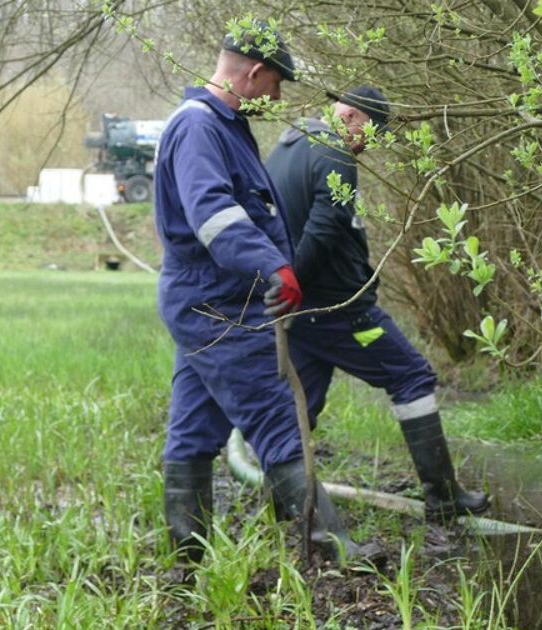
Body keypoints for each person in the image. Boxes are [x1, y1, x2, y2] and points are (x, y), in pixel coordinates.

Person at [156, 24, 385, 567]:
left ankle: (187, 554)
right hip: (218, 305)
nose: (277, 97)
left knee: (194, 428)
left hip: (208, 301)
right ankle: (334, 548)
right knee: (278, 419)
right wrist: (273, 265)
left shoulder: (224, 127)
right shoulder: (199, 128)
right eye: (276, 83)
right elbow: (212, 212)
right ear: (254, 73)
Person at [263, 87, 490, 523]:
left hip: (303, 314)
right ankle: (442, 496)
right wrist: (294, 280)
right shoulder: (333, 152)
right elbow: (325, 225)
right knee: (411, 374)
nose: (369, 144)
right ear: (351, 116)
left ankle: (284, 504)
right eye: (372, 132)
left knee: (300, 406)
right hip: (341, 310)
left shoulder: (288, 145)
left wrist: (289, 286)